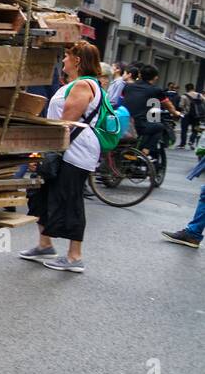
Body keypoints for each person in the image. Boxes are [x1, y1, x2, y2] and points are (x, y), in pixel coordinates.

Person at [18, 41, 106, 272]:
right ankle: (45, 244)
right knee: (38, 193)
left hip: (74, 152)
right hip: (63, 149)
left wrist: (42, 147)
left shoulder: (83, 85)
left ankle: (75, 256)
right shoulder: (74, 84)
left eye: (67, 56)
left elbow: (65, 124)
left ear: (77, 60)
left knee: (70, 199)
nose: (63, 60)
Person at [119, 64, 182, 168]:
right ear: (156, 77)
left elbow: (123, 100)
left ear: (140, 74)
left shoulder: (128, 86)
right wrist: (176, 113)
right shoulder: (155, 90)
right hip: (139, 124)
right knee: (159, 127)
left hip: (123, 122)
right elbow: (168, 105)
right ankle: (145, 151)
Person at [179, 83, 203, 148]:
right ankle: (191, 142)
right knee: (196, 129)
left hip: (186, 115)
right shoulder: (199, 95)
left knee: (184, 130)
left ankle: (182, 144)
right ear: (193, 88)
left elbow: (181, 105)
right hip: (196, 115)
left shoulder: (184, 96)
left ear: (186, 89)